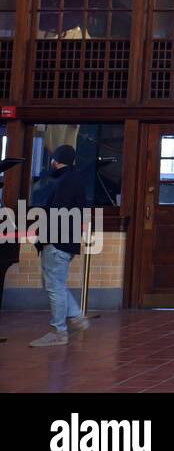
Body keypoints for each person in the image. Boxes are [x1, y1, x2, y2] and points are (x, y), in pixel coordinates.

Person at [29, 145, 91, 348]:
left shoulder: (64, 182)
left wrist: (43, 239)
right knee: (57, 284)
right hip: (67, 241)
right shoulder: (76, 179)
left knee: (54, 286)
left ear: (55, 160)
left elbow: (56, 213)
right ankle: (76, 318)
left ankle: (59, 331)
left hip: (57, 242)